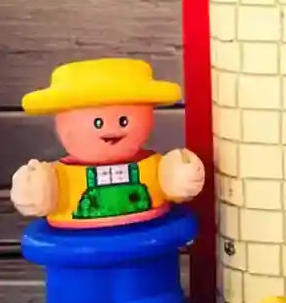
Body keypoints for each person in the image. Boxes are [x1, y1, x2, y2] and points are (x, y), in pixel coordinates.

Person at [11, 58, 204, 228]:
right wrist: (37, 190)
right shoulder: (63, 176)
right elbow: (45, 193)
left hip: (149, 233)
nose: (111, 131)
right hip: (80, 248)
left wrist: (178, 176)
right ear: (61, 123)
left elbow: (168, 179)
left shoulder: (151, 167)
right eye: (97, 123)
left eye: (123, 121)